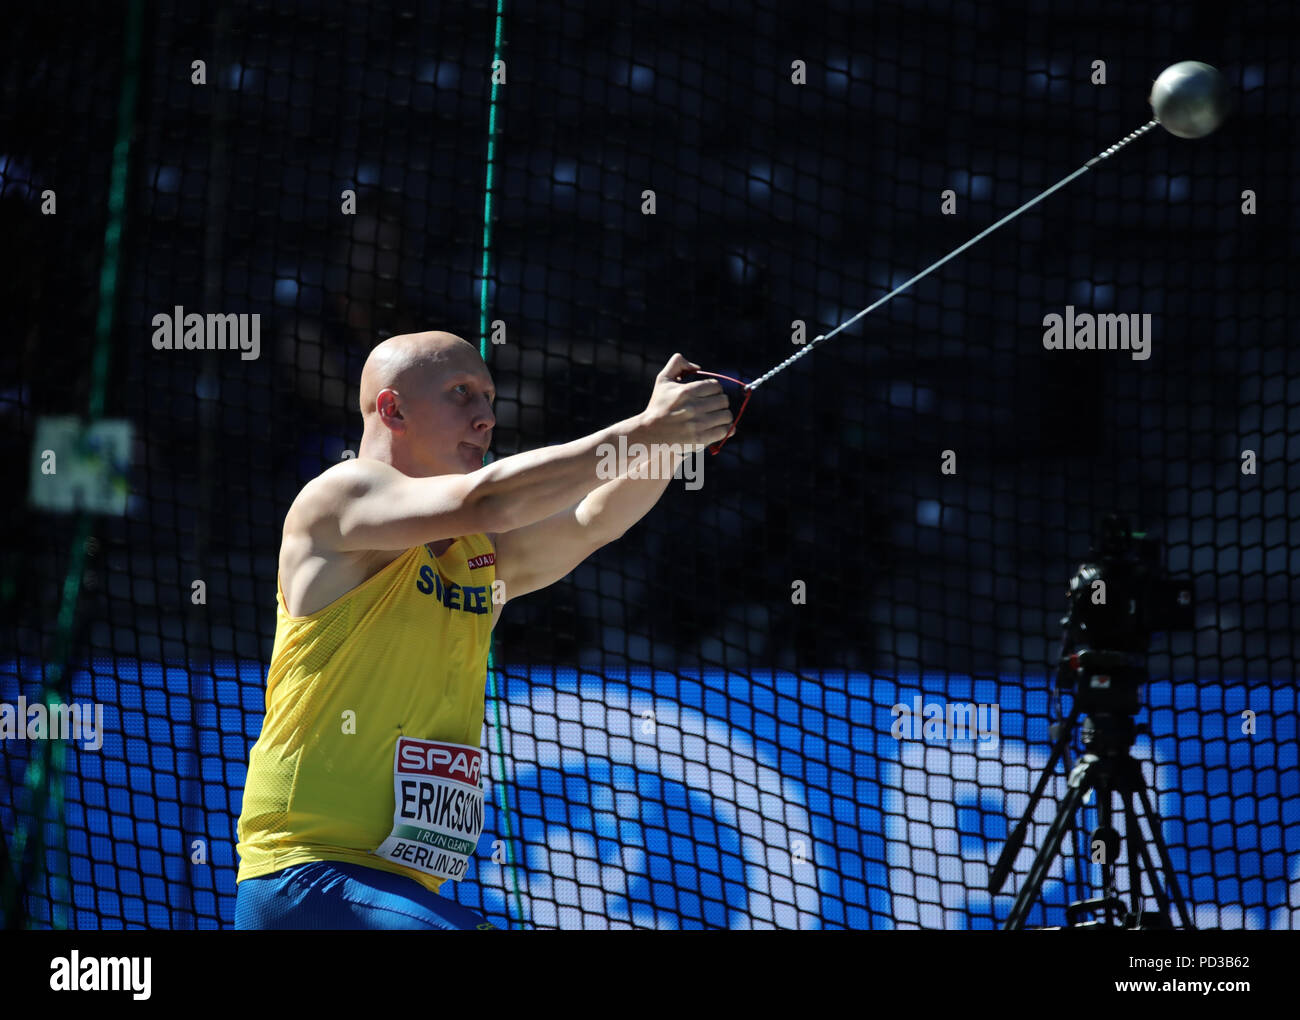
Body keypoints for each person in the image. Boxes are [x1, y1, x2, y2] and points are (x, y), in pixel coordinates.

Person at [233, 331, 731, 929]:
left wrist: (670, 444)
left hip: (403, 889)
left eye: (489, 398)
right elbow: (491, 499)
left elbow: (592, 521)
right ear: (392, 409)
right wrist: (647, 431)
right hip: (307, 875)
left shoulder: (480, 554)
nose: (487, 417)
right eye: (461, 394)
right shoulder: (340, 496)